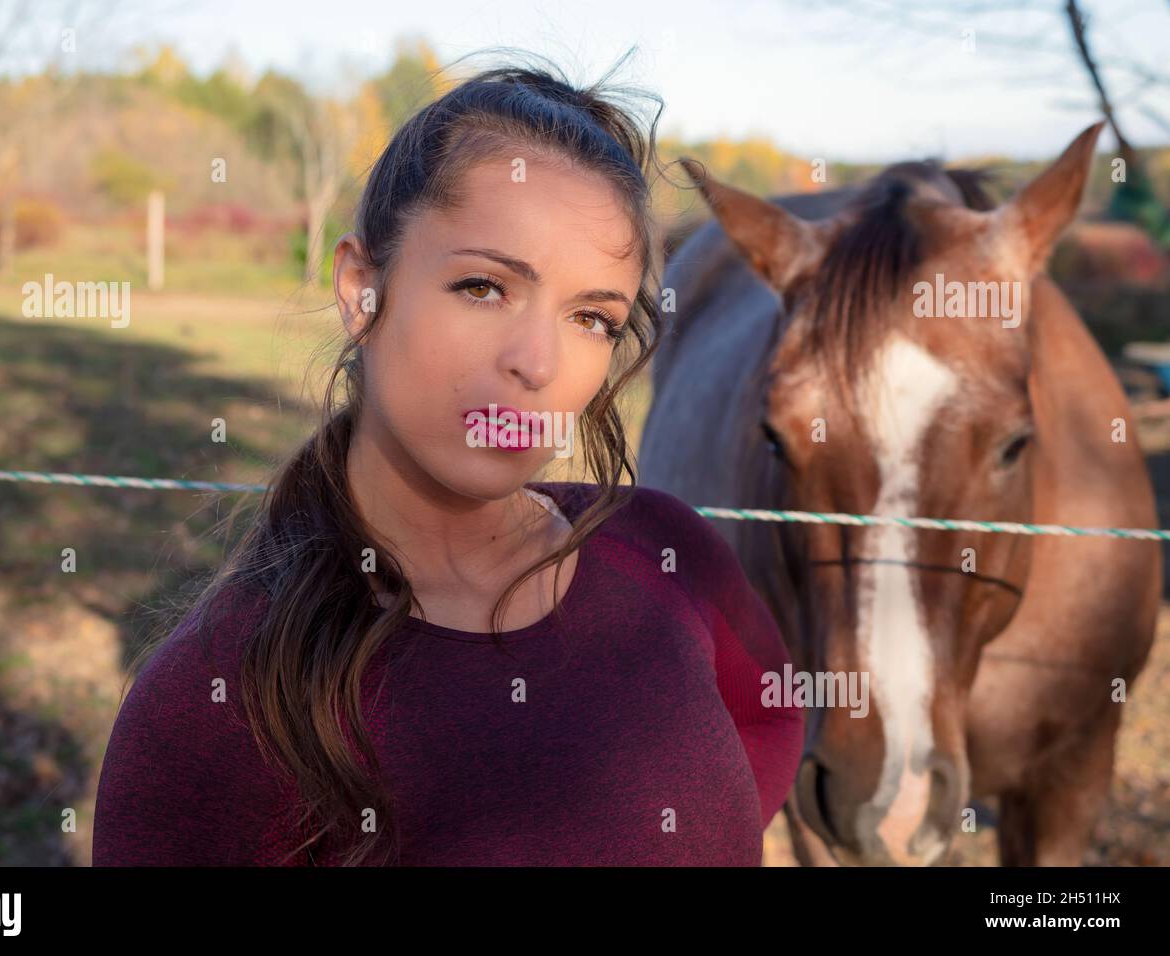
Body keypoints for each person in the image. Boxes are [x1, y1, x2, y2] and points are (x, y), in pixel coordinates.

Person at [92, 52, 803, 867]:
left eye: (591, 319)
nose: (536, 363)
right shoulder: (212, 706)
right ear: (363, 288)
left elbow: (770, 712)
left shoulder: (665, 552)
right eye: (483, 287)